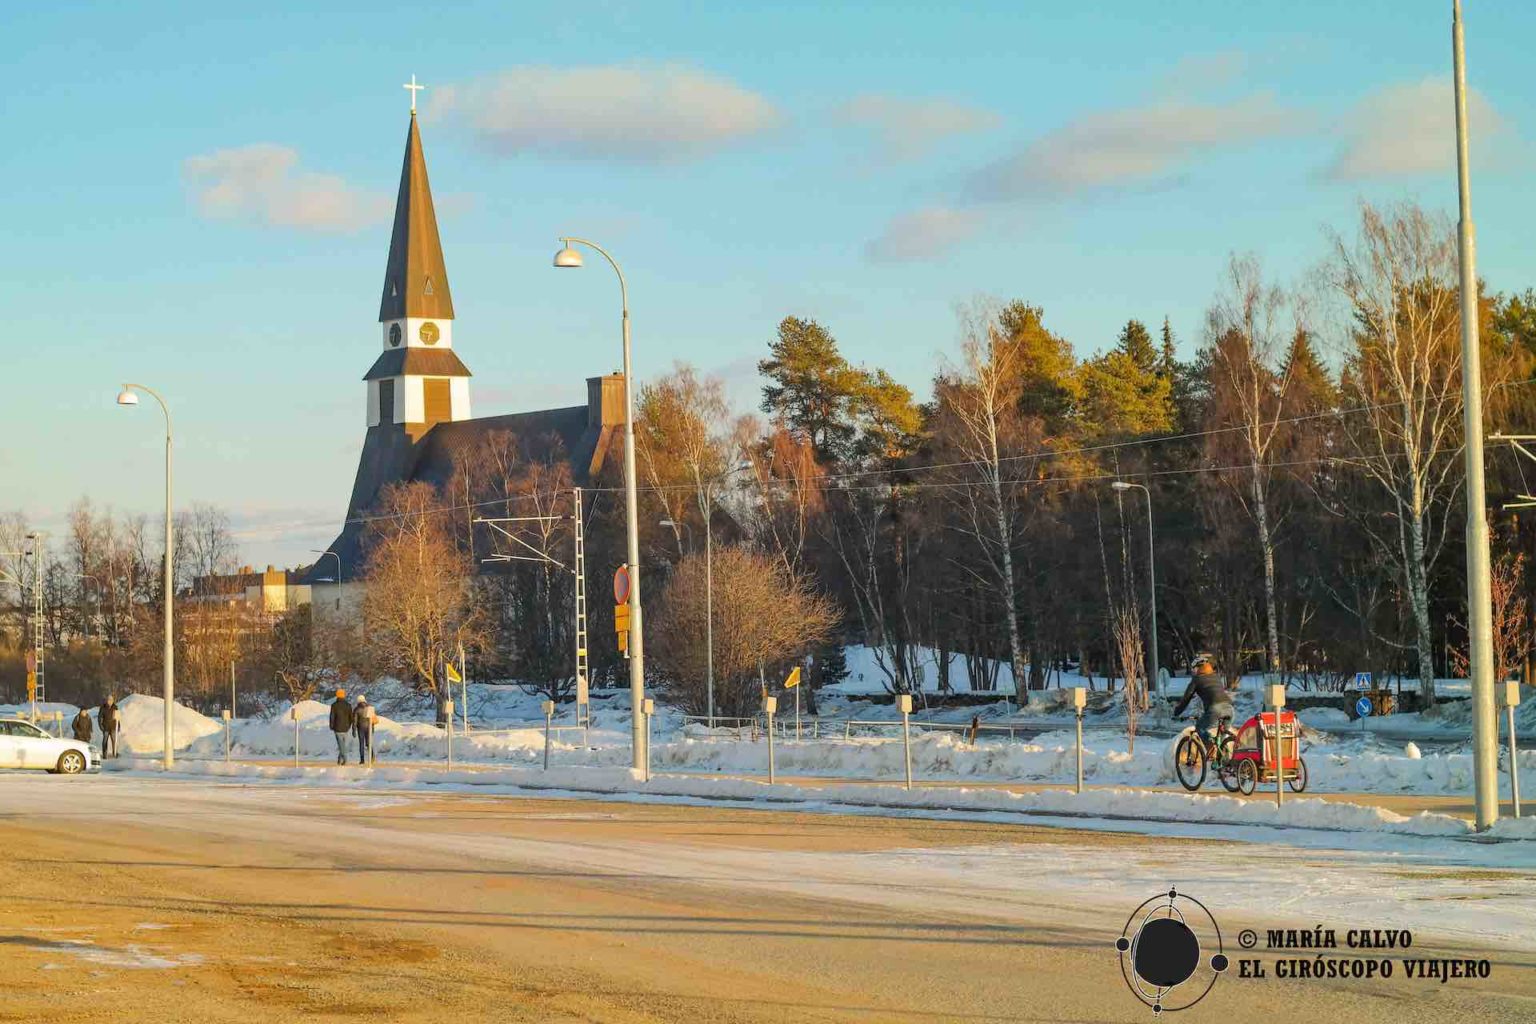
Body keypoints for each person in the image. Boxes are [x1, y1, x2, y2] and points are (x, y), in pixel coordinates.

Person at [1173, 653, 1234, 746]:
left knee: (1200, 727)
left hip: (1215, 709)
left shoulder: (1197, 680)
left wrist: (1177, 712)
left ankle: (1211, 747)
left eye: (1194, 668)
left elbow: (1186, 698)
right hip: (1230, 708)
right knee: (1222, 739)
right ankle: (1223, 757)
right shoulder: (1216, 677)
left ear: (1198, 668)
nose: (1194, 671)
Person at [329, 689, 355, 765]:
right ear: (344, 695)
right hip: (346, 727)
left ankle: (345, 759)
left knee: (341, 744)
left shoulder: (334, 705)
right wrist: (349, 725)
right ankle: (339, 760)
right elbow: (351, 717)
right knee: (343, 744)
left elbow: (332, 717)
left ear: (337, 695)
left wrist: (331, 725)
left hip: (337, 727)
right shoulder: (348, 705)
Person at [353, 695, 376, 766]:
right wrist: (372, 728)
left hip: (360, 728)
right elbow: (372, 719)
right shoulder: (369, 708)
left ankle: (362, 760)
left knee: (361, 744)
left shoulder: (356, 709)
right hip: (369, 728)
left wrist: (353, 730)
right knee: (369, 743)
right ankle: (372, 756)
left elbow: (354, 721)